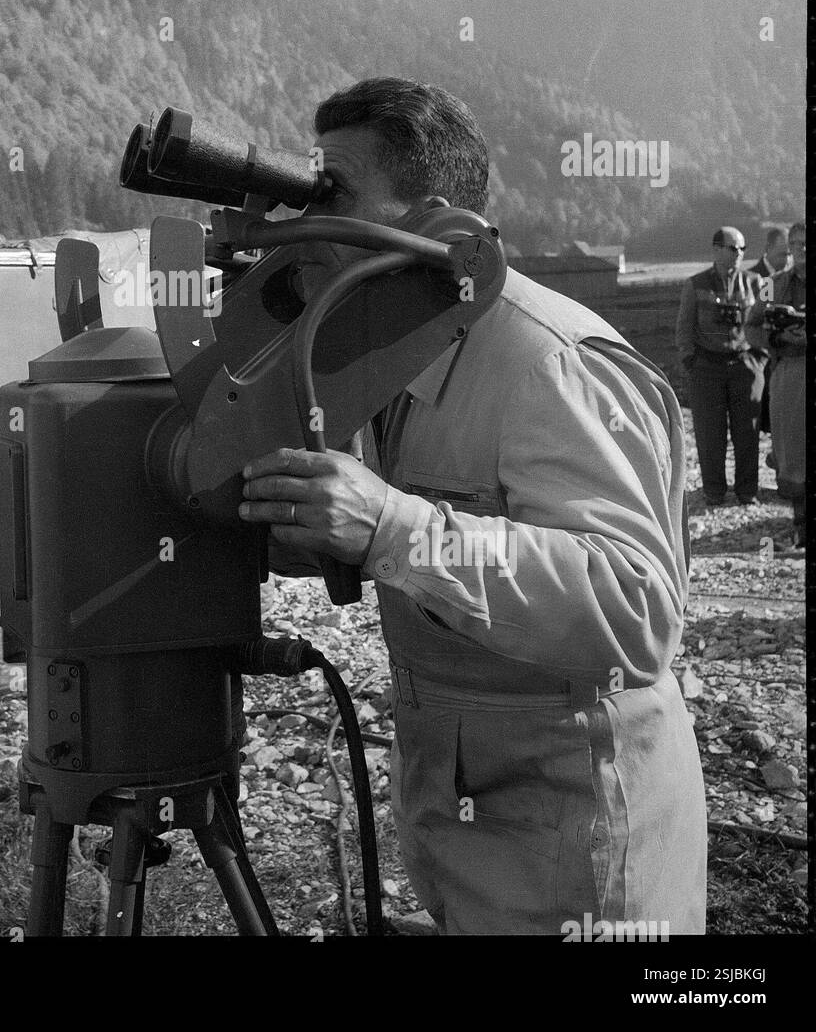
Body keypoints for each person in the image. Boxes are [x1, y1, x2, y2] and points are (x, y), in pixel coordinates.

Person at [239, 77, 706, 936]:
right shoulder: (399, 347)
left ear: (435, 219)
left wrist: (392, 529)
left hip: (582, 854)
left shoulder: (548, 362)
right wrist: (312, 531)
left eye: (333, 194)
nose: (308, 225)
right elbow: (420, 543)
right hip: (475, 827)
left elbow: (638, 608)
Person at [675, 228, 768, 506]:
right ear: (716, 249)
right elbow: (684, 328)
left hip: (745, 366)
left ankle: (747, 491)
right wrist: (691, 361)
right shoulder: (695, 284)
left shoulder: (756, 282)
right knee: (709, 434)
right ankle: (714, 492)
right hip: (707, 368)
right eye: (732, 248)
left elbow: (766, 323)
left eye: (742, 248)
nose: (739, 254)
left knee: (747, 433)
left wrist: (759, 359)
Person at [747, 223, 805, 549]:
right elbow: (753, 323)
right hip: (788, 375)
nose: (800, 249)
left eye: (806, 243)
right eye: (795, 243)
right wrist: (775, 338)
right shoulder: (772, 285)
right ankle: (801, 525)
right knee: (793, 454)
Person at [750, 228, 792, 435]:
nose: (786, 259)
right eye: (782, 254)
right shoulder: (759, 279)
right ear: (767, 249)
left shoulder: (790, 279)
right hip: (761, 357)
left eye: (789, 254)